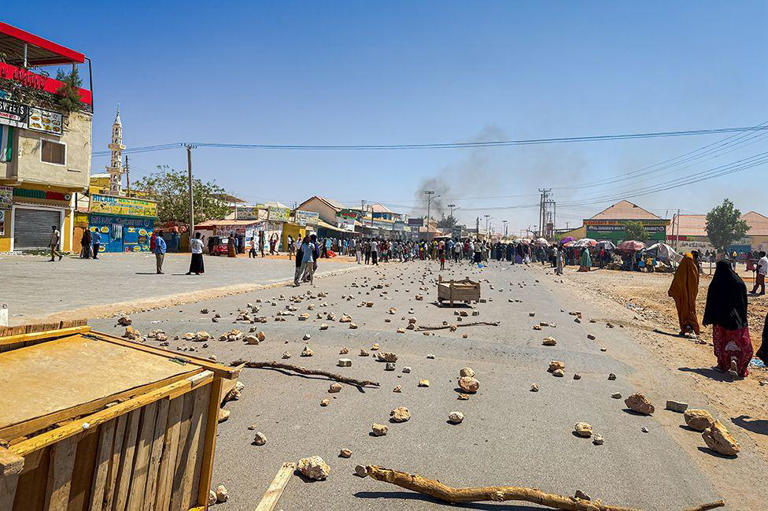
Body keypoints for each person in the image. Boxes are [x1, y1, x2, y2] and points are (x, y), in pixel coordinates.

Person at [703, 260, 753, 377]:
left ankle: (723, 365)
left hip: (720, 320)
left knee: (721, 342)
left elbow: (711, 302)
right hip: (738, 320)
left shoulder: (717, 282)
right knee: (738, 342)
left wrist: (709, 318)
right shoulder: (738, 282)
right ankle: (738, 363)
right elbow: (744, 302)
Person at [668, 252, 701, 338]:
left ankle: (686, 328)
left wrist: (673, 291)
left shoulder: (685, 267)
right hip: (689, 295)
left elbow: (676, 281)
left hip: (684, 295)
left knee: (684, 310)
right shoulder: (693, 267)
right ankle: (690, 328)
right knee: (689, 310)